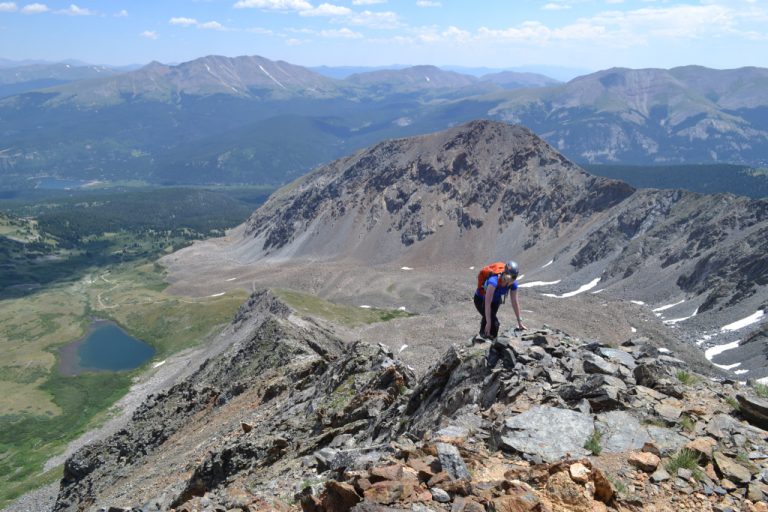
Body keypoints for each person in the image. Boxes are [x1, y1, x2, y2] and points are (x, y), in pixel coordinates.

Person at [474, 261, 526, 340]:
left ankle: (484, 338)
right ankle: (489, 342)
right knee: (494, 323)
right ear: (504, 273)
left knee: (490, 320)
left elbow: (515, 302)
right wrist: (489, 322)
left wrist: (519, 321)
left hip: (495, 302)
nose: (509, 280)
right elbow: (487, 304)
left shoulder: (513, 284)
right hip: (481, 300)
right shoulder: (493, 281)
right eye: (509, 277)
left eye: (513, 278)